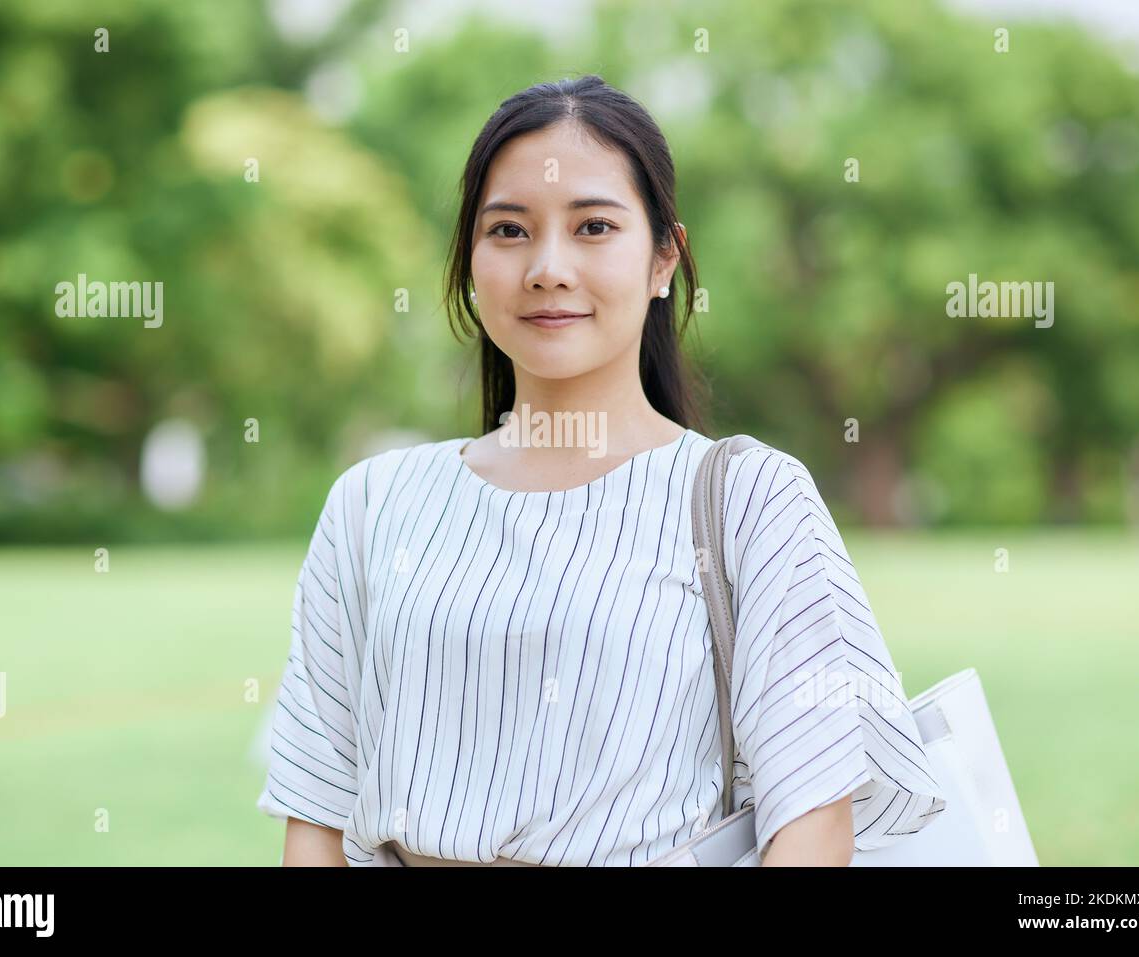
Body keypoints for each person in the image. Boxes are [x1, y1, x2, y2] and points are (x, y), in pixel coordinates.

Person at [257, 75, 945, 867]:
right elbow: (313, 815)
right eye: (509, 230)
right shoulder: (372, 505)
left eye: (593, 226)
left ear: (664, 259)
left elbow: (815, 819)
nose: (548, 267)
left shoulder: (750, 500)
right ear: (469, 261)